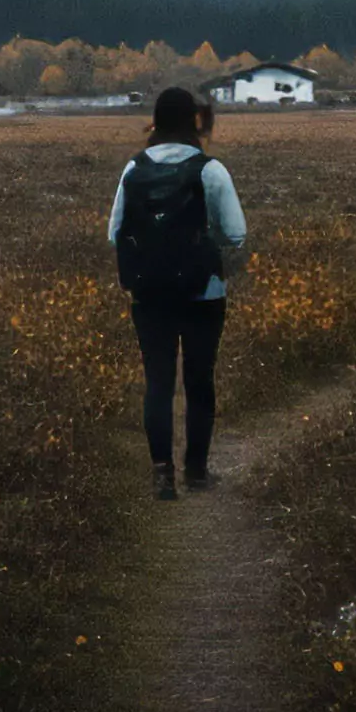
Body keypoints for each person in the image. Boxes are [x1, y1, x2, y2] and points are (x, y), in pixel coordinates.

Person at [107, 86, 247, 500]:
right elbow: (237, 234)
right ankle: (198, 472)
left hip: (149, 295)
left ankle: (162, 474)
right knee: (200, 381)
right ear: (192, 120)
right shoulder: (211, 169)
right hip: (204, 292)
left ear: (156, 119)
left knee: (158, 383)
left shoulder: (134, 169)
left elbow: (114, 232)